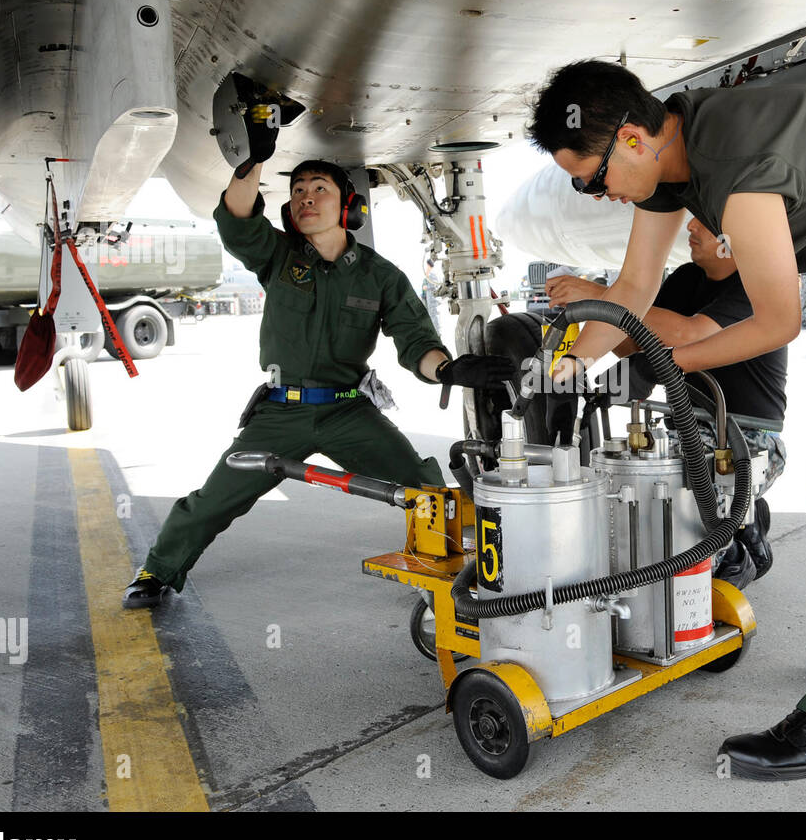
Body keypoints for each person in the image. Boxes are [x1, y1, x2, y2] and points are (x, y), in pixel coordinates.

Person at [527, 59, 806, 779]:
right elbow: (634, 290)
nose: (595, 193)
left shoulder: (729, 160)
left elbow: (778, 318)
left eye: (592, 176)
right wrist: (562, 370)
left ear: (634, 137)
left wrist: (679, 365)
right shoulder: (676, 156)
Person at [122, 118, 513, 610]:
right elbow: (238, 217)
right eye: (298, 190)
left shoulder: (380, 277)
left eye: (320, 188)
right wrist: (254, 157)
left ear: (346, 205)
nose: (306, 197)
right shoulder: (279, 257)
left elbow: (415, 342)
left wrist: (451, 370)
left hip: (348, 412)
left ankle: (475, 570)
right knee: (213, 501)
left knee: (428, 491)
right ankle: (158, 571)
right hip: (280, 413)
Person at [545, 216, 787, 586]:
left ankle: (735, 551)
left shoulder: (753, 285)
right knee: (626, 483)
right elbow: (632, 339)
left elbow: (690, 334)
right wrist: (585, 341)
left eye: (702, 223)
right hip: (684, 428)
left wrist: (598, 294)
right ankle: (738, 520)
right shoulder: (687, 278)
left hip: (746, 438)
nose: (689, 228)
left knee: (681, 526)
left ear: (733, 238)